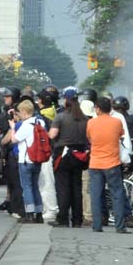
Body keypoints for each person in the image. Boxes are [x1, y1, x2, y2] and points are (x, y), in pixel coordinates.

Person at [86, 97, 129, 233]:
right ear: (110, 108)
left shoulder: (91, 123)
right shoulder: (117, 122)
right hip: (112, 163)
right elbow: (121, 135)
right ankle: (120, 226)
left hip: (95, 163)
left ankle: (97, 226)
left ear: (97, 109)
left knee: (96, 194)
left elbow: (90, 138)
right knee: (117, 194)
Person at [48, 90, 88, 227]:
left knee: (63, 187)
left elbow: (52, 135)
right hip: (80, 156)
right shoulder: (85, 119)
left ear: (66, 100)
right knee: (77, 187)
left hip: (63, 155)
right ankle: (77, 219)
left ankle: (63, 218)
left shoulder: (60, 117)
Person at [8, 99, 43, 222]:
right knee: (35, 186)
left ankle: (29, 213)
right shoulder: (39, 122)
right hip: (37, 160)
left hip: (26, 160)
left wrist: (13, 128)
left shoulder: (26, 125)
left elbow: (14, 140)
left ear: (24, 111)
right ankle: (39, 214)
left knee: (26, 187)